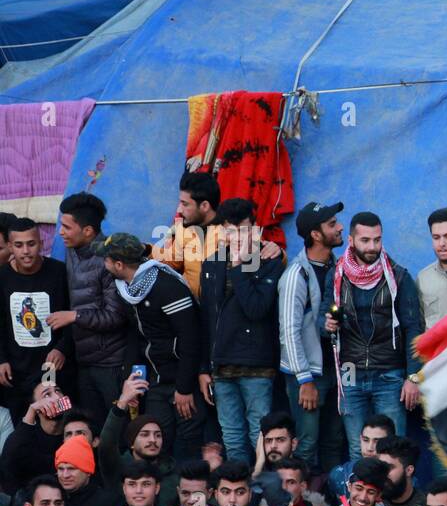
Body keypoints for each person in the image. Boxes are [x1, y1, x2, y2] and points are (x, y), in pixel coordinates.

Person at [322, 212, 424, 456]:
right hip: (350, 373)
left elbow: (413, 328)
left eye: (377, 240)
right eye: (365, 240)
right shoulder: (336, 275)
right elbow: (321, 318)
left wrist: (413, 377)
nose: (372, 246)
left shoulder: (399, 276)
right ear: (351, 240)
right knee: (359, 452)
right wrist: (326, 325)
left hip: (389, 373)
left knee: (393, 454)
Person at [100, 233, 205, 462]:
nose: (103, 264)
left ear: (119, 264)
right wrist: (131, 380)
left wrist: (185, 387)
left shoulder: (167, 287)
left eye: (106, 259)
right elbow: (136, 336)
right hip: (156, 382)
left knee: (188, 446)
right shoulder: (127, 288)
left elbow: (190, 338)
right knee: (158, 444)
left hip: (182, 382)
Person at [199, 199, 283, 465]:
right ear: (222, 231)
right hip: (222, 366)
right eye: (231, 230)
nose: (238, 236)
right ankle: (237, 497)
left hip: (257, 365)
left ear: (255, 229)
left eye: (244, 230)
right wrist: (204, 368)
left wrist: (238, 267)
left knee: (261, 437)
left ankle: (263, 495)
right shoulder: (211, 264)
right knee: (233, 438)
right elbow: (207, 318)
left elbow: (256, 308)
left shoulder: (267, 260)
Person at [279, 200, 345, 473]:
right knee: (306, 446)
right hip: (308, 375)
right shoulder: (297, 274)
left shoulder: (340, 267)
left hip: (335, 372)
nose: (340, 227)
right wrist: (303, 379)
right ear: (316, 235)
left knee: (334, 443)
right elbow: (288, 331)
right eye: (332, 225)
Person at [54, 192, 129, 431]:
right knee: (91, 431)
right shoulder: (72, 251)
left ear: (87, 231)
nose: (60, 232)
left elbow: (116, 316)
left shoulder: (109, 261)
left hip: (111, 365)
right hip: (83, 362)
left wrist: (74, 316)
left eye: (66, 227)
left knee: (118, 432)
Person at [0, 217, 73, 416]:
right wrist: (1, 360)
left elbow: (73, 314)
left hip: (53, 370)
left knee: (57, 420)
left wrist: (62, 349)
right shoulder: (2, 276)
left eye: (31, 244)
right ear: (9, 246)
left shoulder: (59, 272)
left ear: (41, 243)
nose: (25, 251)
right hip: (15, 371)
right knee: (22, 425)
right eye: (18, 245)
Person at [153, 170, 221, 295]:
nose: (179, 209)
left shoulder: (234, 232)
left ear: (205, 206)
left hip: (220, 311)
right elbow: (172, 261)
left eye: (185, 204)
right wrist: (144, 249)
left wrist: (269, 247)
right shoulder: (184, 229)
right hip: (190, 308)